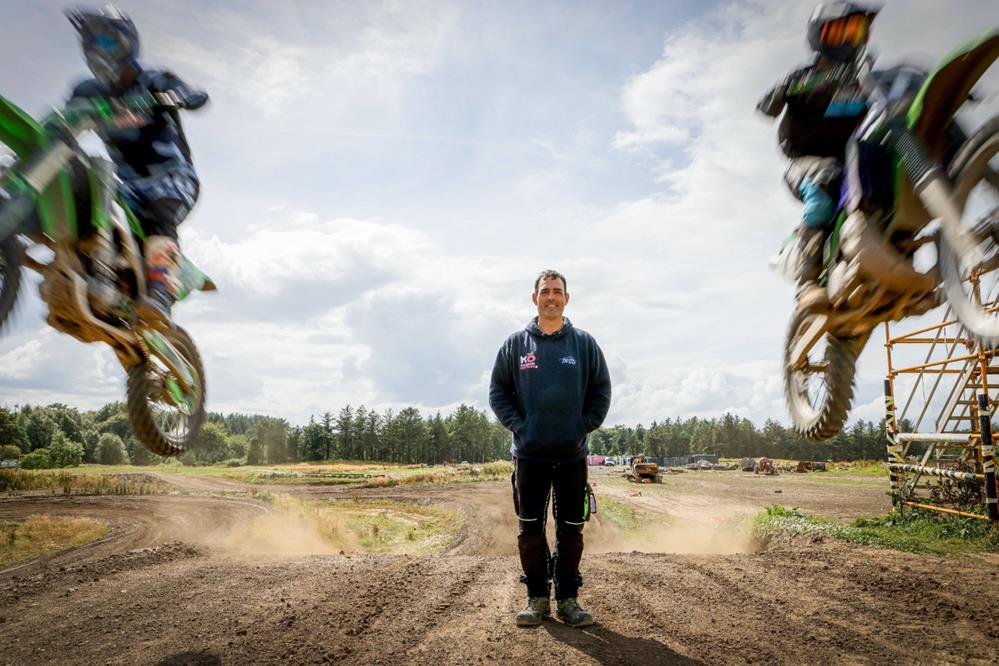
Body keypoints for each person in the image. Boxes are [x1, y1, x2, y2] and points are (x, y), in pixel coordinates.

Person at [66, 5, 209, 327]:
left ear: (128, 42)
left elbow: (194, 95)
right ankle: (103, 273)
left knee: (160, 212)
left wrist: (178, 97)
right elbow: (65, 123)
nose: (99, 50)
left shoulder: (155, 80)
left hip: (172, 177)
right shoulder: (86, 92)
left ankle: (161, 293)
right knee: (81, 194)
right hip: (124, 185)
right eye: (91, 44)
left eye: (107, 42)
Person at [489, 269, 612, 628]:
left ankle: (569, 600)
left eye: (557, 291)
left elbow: (601, 391)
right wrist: (521, 426)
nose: (551, 297)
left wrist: (582, 425)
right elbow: (498, 392)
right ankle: (537, 599)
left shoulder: (584, 344)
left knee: (571, 529)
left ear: (566, 298)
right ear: (535, 298)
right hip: (529, 455)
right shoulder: (515, 346)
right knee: (530, 529)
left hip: (572, 455)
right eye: (545, 291)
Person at [757, 2, 877, 313]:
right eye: (840, 31)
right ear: (820, 36)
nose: (848, 40)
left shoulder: (863, 77)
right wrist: (785, 89)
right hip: (804, 164)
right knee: (824, 190)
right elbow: (766, 108)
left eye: (855, 31)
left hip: (851, 161)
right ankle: (806, 281)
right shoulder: (803, 76)